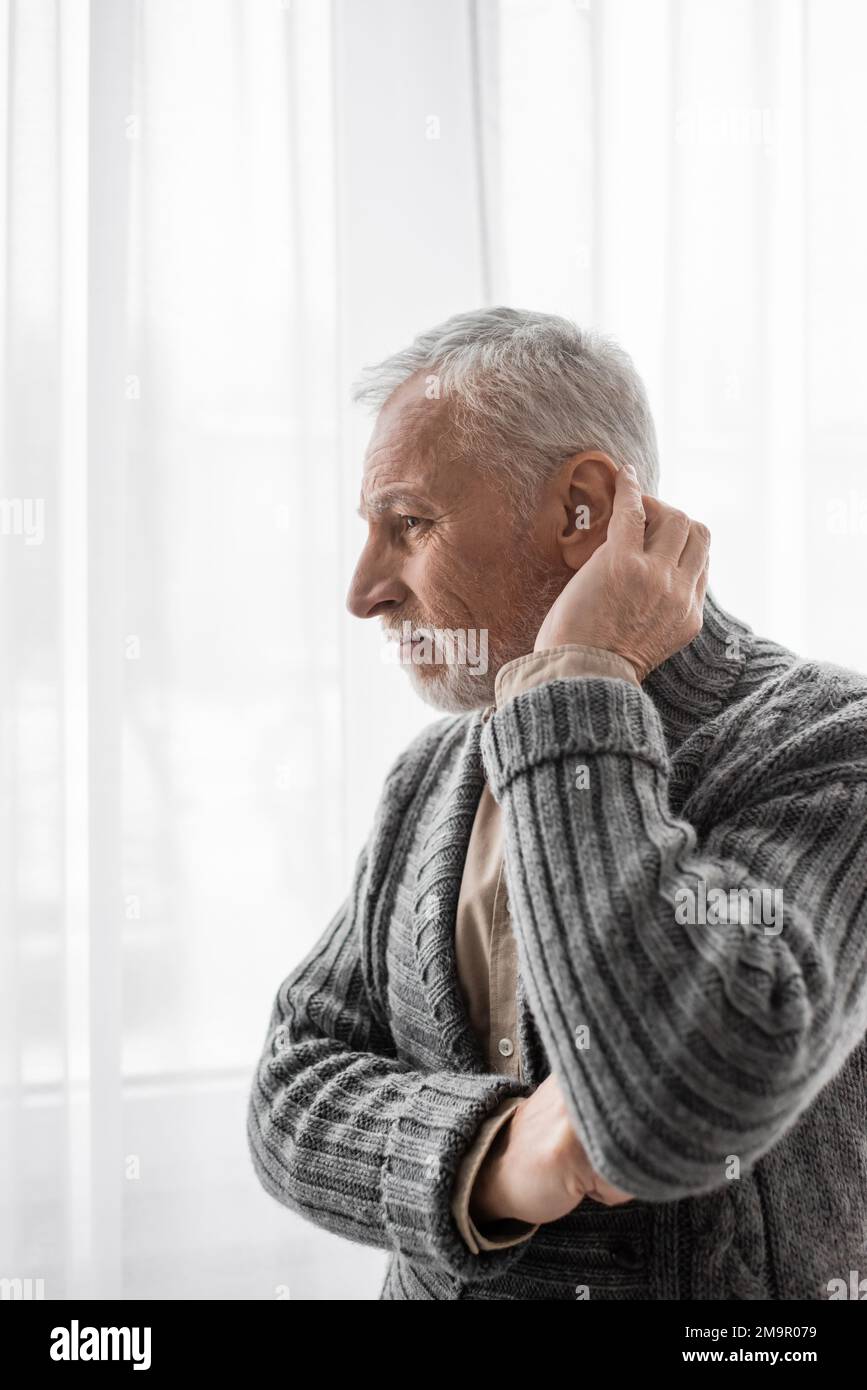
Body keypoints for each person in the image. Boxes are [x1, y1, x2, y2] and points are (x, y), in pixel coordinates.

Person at [247, 307, 867, 1300]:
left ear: (583, 509)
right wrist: (492, 1157)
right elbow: (287, 1092)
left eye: (407, 525)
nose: (363, 590)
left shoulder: (831, 746)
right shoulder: (428, 776)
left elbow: (676, 1110)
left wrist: (579, 683)